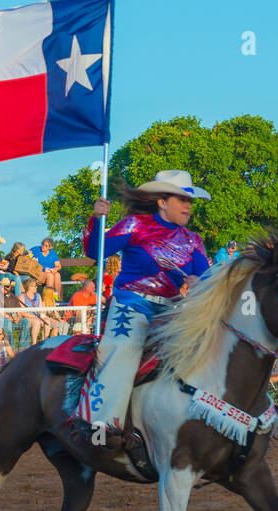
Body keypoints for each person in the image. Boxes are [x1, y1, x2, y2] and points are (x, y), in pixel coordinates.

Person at [70, 170, 211, 458]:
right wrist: (97, 219)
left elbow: (207, 278)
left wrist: (202, 284)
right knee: (123, 351)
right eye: (182, 199)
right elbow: (98, 251)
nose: (188, 206)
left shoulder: (192, 240)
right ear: (161, 201)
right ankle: (99, 427)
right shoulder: (134, 225)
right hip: (130, 305)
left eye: (190, 201)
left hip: (171, 309)